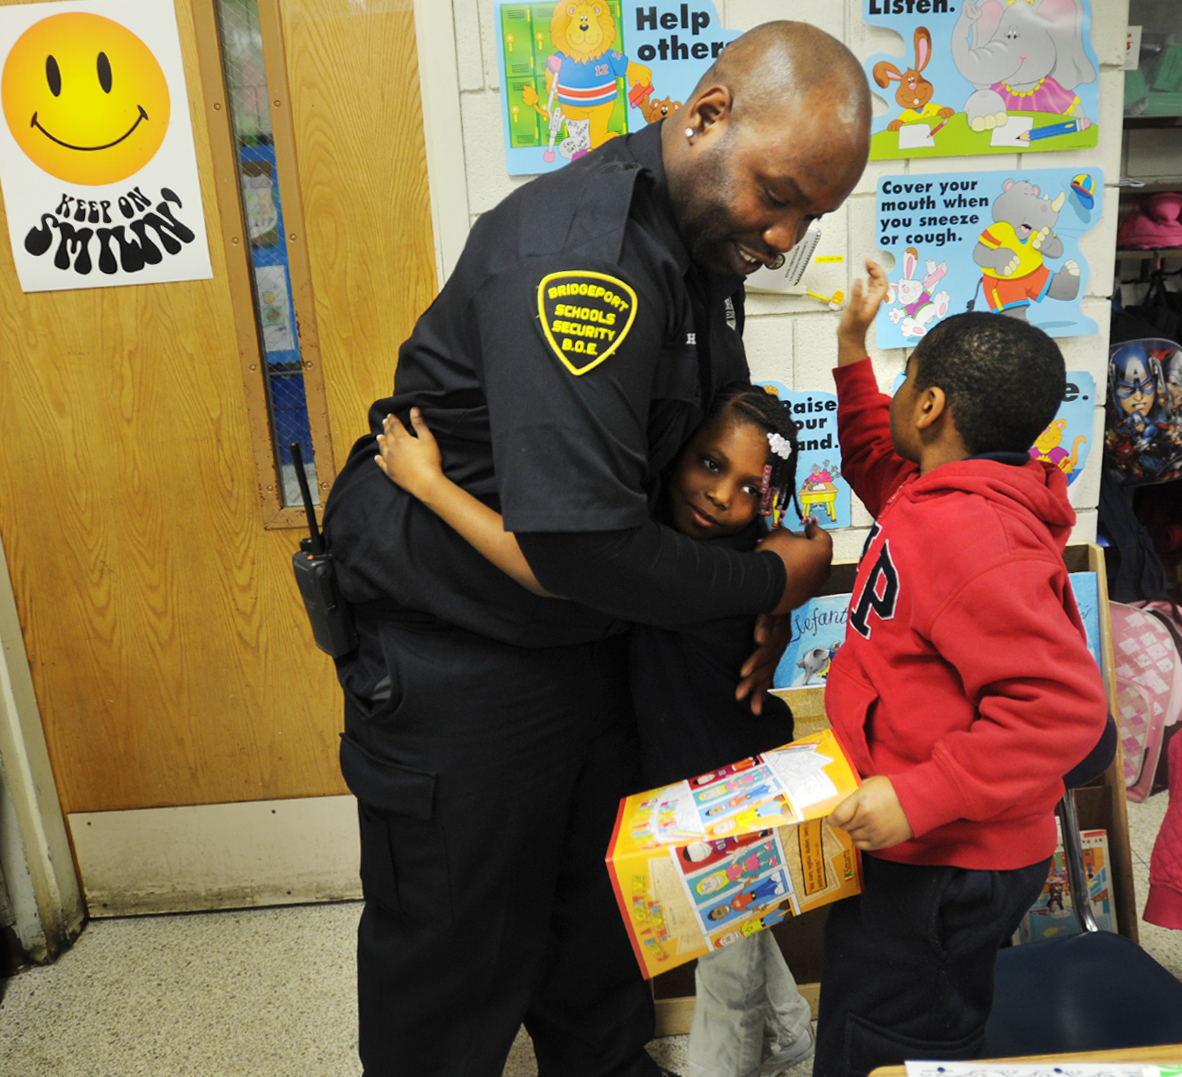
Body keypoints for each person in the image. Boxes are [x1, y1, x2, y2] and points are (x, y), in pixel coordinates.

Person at [318, 22, 870, 1077]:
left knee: (597, 934)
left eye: (811, 216)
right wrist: (772, 578)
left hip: (591, 644)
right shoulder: (585, 259)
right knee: (454, 955)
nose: (784, 233)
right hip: (461, 654)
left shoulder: (699, 237)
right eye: (779, 195)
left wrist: (750, 600)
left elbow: (701, 440)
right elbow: (579, 545)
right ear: (704, 114)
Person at [370, 383, 819, 1077]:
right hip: (687, 787)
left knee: (725, 963)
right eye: (707, 463)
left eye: (746, 486)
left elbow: (543, 565)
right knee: (741, 937)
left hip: (720, 804)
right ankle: (790, 1034)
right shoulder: (734, 558)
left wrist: (429, 484)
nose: (719, 494)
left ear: (769, 500)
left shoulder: (695, 570)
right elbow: (801, 545)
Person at [812, 261, 1109, 1077]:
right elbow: (873, 451)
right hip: (916, 840)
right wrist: (851, 345)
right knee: (866, 999)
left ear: (933, 405)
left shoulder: (977, 540)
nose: (898, 395)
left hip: (948, 857)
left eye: (907, 380)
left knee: (908, 1035)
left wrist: (916, 796)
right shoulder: (930, 488)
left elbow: (1062, 713)